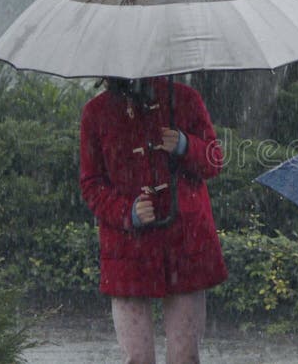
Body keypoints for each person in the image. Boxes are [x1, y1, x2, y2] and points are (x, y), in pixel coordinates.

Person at [80, 76, 227, 364]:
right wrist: (126, 212)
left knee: (185, 357)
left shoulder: (184, 98)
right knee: (137, 358)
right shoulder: (96, 113)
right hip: (127, 251)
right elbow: (91, 183)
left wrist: (186, 145)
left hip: (185, 243)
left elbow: (214, 160)